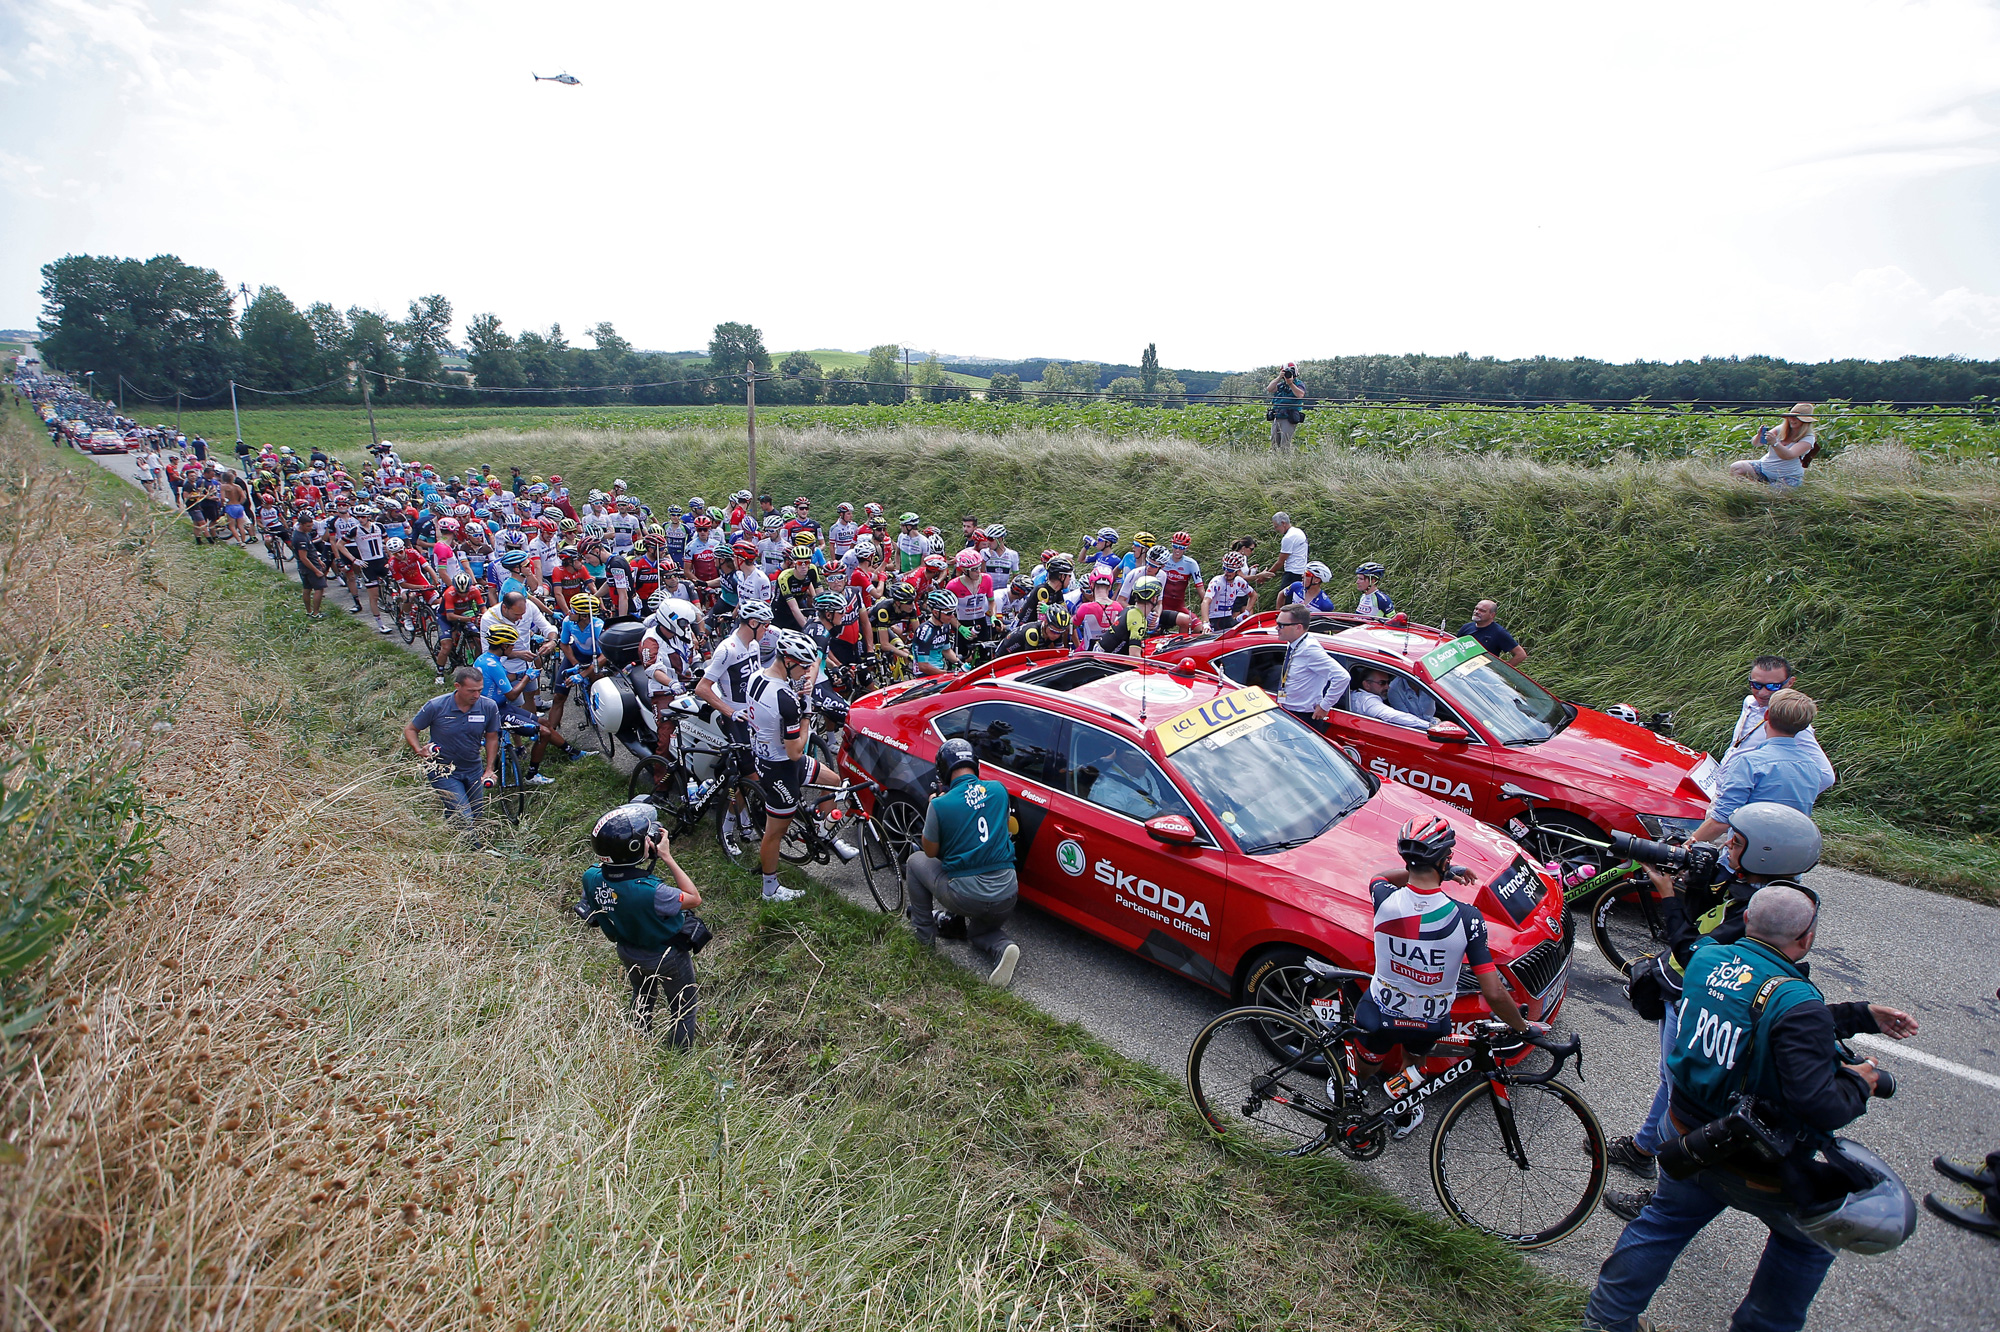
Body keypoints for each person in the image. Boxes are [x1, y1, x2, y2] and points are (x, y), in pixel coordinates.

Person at [1583, 884, 1920, 1332]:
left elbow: (1759, 1010)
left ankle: (1605, 1320)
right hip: (1755, 1161)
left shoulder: (1705, 960)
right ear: (1807, 937)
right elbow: (1820, 1105)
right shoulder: (1797, 1001)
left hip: (1684, 1134)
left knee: (1662, 1223)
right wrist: (1861, 1083)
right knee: (1805, 1244)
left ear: (1745, 921)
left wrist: (1860, 1014)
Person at [1602, 802, 1829, 1220]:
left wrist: (1668, 896)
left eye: (1736, 843)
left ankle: (1662, 1194)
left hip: (1704, 1001)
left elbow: (1693, 949)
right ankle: (1643, 1149)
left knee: (1685, 1097)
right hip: (1693, 997)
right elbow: (1705, 919)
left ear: (1766, 855)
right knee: (1671, 1080)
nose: (1726, 848)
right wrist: (1698, 885)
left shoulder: (1759, 912)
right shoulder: (1758, 890)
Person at [1358, 817, 1535, 1138]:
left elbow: (1380, 877)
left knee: (1369, 1058)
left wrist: (1437, 869)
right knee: (1413, 1063)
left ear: (1406, 858)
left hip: (1380, 1008)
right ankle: (1403, 1112)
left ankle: (1354, 1093)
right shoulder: (1467, 918)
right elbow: (1494, 993)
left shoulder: (1383, 897)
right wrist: (1523, 1028)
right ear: (1443, 860)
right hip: (1429, 1019)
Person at [578, 804, 702, 1045]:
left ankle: (638, 1040)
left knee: (642, 995)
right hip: (666, 955)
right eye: (646, 838)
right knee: (683, 1007)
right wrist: (666, 856)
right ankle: (680, 1053)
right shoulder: (653, 892)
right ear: (633, 849)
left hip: (627, 950)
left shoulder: (591, 877)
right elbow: (694, 898)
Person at [906, 738, 1021, 987]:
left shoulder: (940, 805)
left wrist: (933, 809)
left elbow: (930, 851)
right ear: (974, 763)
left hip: (968, 896)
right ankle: (1004, 946)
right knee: (978, 932)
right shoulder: (998, 790)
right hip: (1006, 894)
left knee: (914, 862)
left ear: (942, 771)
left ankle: (924, 939)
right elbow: (997, 828)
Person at [744, 629, 828, 904]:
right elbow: (795, 751)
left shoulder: (757, 676)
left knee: (834, 782)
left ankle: (821, 831)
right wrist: (806, 715)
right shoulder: (786, 701)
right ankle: (770, 889)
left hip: (766, 753)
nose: (807, 672)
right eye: (804, 666)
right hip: (780, 766)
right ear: (789, 661)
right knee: (775, 833)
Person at [1689, 690, 1833, 846]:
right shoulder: (1813, 768)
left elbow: (1721, 822)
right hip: (1790, 853)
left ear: (1767, 715)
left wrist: (1688, 845)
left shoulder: (1748, 763)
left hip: (1747, 853)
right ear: (1804, 726)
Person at [695, 600, 775, 859]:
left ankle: (746, 822)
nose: (767, 630)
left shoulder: (753, 645)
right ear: (752, 623)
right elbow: (702, 688)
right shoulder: (727, 649)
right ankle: (726, 830)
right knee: (750, 777)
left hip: (752, 715)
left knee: (755, 774)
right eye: (765, 625)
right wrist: (730, 712)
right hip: (735, 718)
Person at [402, 666, 500, 852]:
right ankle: (475, 855)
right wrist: (419, 749)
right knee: (464, 816)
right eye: (471, 691)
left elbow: (492, 737)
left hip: (473, 769)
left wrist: (489, 769)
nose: (476, 695)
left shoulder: (488, 706)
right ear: (457, 686)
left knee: (476, 815)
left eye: (480, 690)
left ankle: (453, 843)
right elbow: (411, 729)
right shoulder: (436, 706)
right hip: (443, 771)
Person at [1730, 656, 1835, 789]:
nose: (1762, 693)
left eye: (1773, 686)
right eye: (1756, 685)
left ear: (1790, 683)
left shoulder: (1792, 723)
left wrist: (1775, 796)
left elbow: (1826, 777)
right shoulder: (1750, 702)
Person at [1272, 604, 1348, 734]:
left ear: (1298, 627)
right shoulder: (1294, 643)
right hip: (1289, 711)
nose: (1276, 628)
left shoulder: (1309, 650)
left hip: (1304, 717)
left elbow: (1342, 677)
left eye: (1281, 625)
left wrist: (1324, 706)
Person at [1729, 402, 1818, 489]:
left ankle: (1760, 488)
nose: (1792, 420)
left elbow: (1788, 455)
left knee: (1769, 494)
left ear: (1805, 421)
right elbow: (1756, 444)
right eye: (1790, 417)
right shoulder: (1781, 428)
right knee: (1736, 467)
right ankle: (1742, 489)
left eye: (1797, 418)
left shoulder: (1808, 438)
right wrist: (1759, 435)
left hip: (1787, 476)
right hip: (1764, 468)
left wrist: (1775, 443)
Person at [1349, 667, 1430, 730]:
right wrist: (1429, 725)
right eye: (1382, 683)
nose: (1387, 687)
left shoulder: (1355, 695)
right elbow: (1393, 716)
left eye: (1388, 682)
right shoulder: (1368, 701)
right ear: (1367, 685)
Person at [1460, 599, 1527, 666]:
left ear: (1492, 615)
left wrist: (1501, 669)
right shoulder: (1466, 627)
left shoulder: (1499, 632)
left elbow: (1521, 654)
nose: (1477, 612)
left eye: (1482, 611)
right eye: (1476, 609)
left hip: (1483, 670)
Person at [1261, 512, 1308, 603]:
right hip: (1301, 572)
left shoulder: (1288, 538)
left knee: (1284, 600)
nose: (1276, 529)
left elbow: (1280, 562)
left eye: (1276, 526)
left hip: (1292, 574)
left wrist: (1266, 576)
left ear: (1283, 523)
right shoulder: (1298, 531)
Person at [1266, 362, 1306, 452]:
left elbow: (1300, 395)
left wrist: (1291, 384)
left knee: (1285, 444)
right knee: (1274, 443)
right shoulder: (1281, 385)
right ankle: (1275, 458)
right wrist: (1279, 377)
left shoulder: (1299, 384)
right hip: (1277, 416)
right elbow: (1269, 388)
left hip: (1289, 417)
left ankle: (1285, 459)